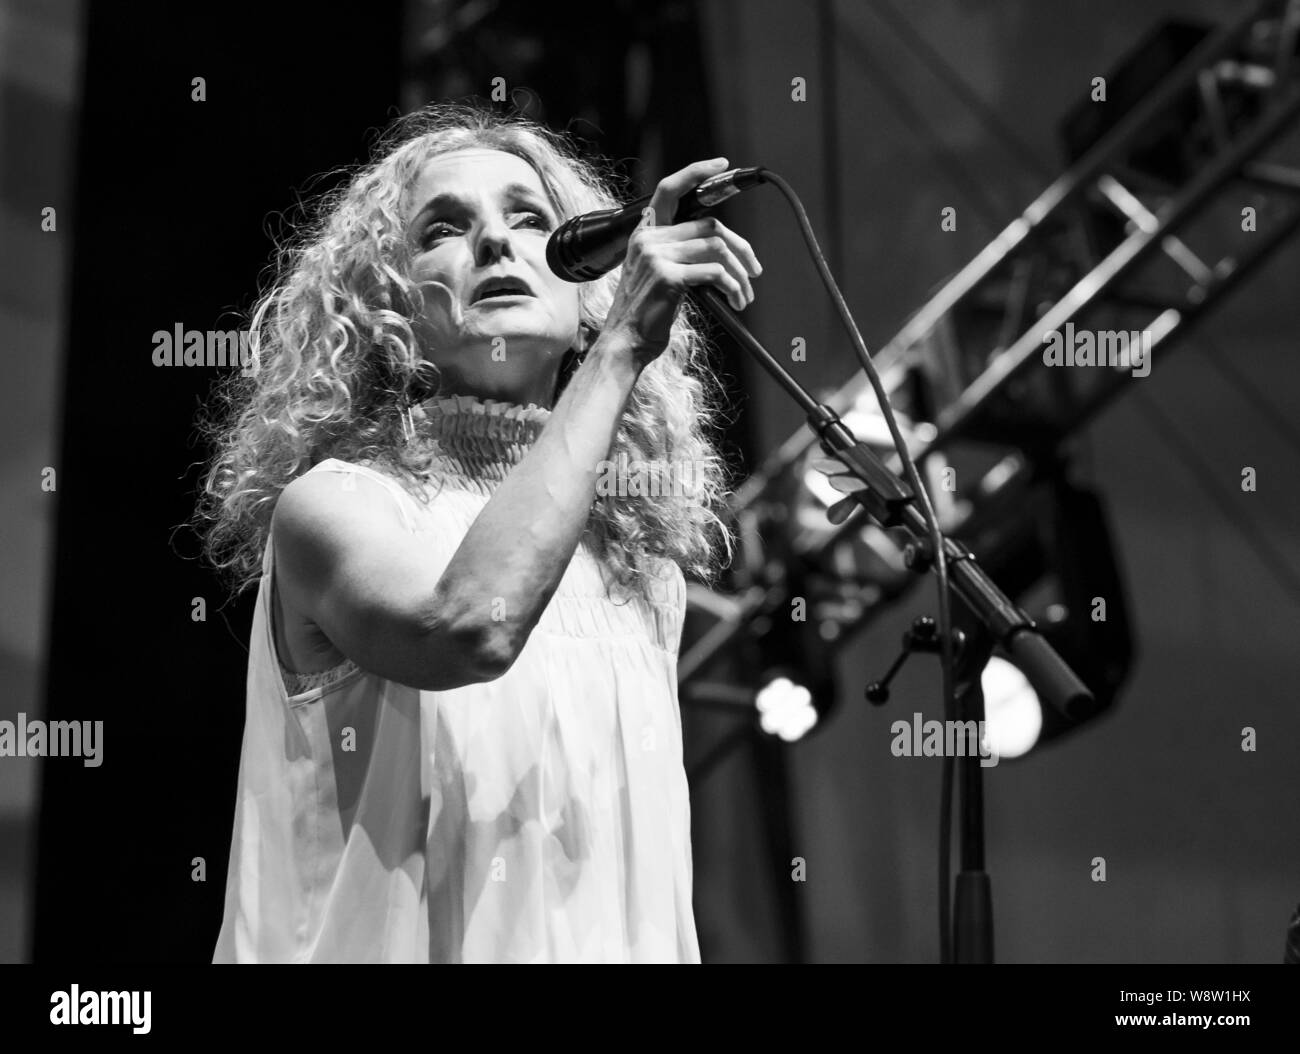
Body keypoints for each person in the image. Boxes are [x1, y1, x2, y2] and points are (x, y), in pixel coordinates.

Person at [194, 102, 760, 963]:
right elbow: (472, 625)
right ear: (385, 307)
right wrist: (617, 353)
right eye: (444, 230)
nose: (497, 243)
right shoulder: (337, 508)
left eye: (532, 220)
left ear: (589, 286)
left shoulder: (639, 569)